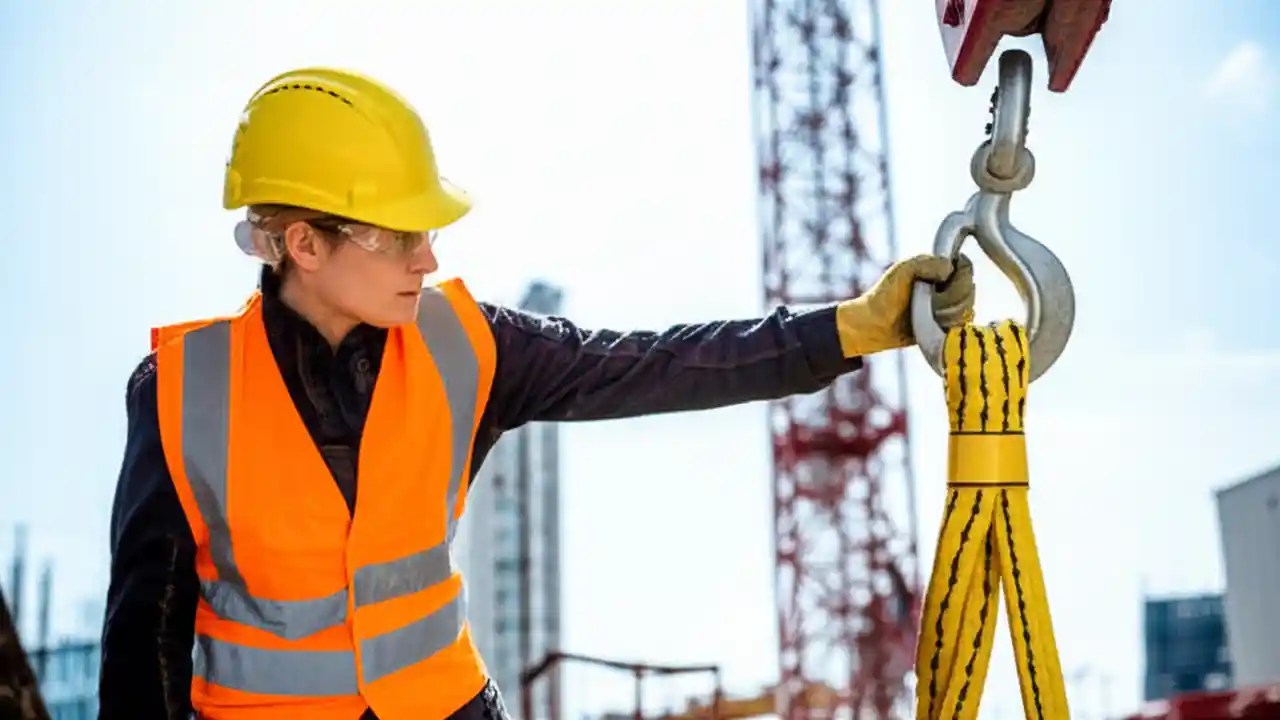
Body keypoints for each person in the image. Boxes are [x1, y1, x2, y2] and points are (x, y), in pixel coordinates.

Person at [99, 67, 975, 720]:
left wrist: (851, 327)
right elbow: (147, 633)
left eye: (428, 230)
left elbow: (655, 364)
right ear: (304, 244)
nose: (428, 259)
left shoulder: (466, 345)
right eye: (399, 234)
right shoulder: (182, 392)